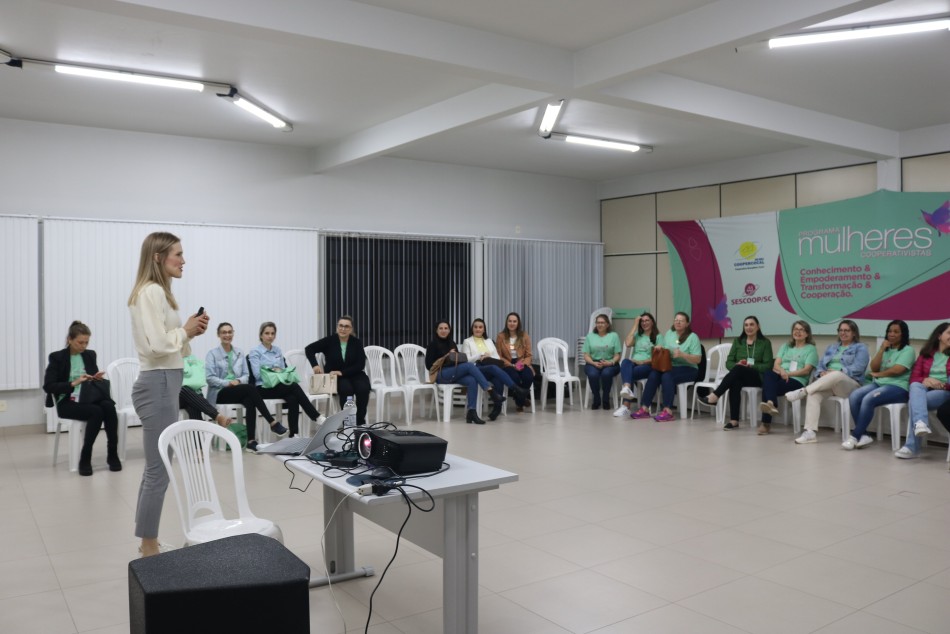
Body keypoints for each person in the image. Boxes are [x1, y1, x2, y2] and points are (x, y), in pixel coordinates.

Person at [128, 232, 209, 557]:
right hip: (158, 383)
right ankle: (149, 547)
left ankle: (148, 541)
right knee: (159, 468)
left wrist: (189, 330)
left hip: (165, 380)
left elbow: (170, 343)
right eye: (178, 254)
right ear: (159, 257)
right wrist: (185, 331)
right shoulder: (150, 292)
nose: (183, 260)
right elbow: (158, 345)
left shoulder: (159, 294)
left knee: (157, 467)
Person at [43, 320, 121, 476]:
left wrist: (95, 378)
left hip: (88, 396)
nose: (84, 346)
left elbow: (91, 379)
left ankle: (112, 453)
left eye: (86, 342)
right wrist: (73, 383)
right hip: (66, 401)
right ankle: (85, 457)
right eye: (80, 342)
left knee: (108, 407)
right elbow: (49, 386)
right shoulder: (57, 357)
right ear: (70, 340)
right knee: (97, 412)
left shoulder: (90, 355)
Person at [205, 322, 287, 452]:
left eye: (230, 332)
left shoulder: (239, 352)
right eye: (224, 332)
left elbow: (246, 375)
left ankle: (251, 441)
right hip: (220, 392)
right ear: (219, 335)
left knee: (250, 400)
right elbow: (210, 379)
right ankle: (272, 422)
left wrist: (237, 380)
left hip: (237, 389)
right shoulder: (212, 354)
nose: (227, 335)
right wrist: (228, 383)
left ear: (233, 333)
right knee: (250, 388)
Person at [788, 319, 869, 444]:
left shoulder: (861, 348)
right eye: (841, 330)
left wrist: (839, 371)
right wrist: (821, 373)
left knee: (836, 374)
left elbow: (858, 368)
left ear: (854, 333)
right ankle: (810, 432)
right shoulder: (832, 348)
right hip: (830, 384)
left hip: (850, 385)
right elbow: (820, 366)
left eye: (847, 330)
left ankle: (803, 391)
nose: (843, 333)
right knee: (813, 394)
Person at [844, 320, 913, 450]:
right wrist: (881, 350)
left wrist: (880, 374)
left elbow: (898, 370)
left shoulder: (908, 350)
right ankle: (864, 435)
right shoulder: (886, 349)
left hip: (898, 387)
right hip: (880, 384)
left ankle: (855, 436)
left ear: (903, 334)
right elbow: (874, 367)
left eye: (896, 332)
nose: (891, 334)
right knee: (854, 396)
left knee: (869, 399)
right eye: (889, 331)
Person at [248, 321, 324, 439]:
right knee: (293, 386)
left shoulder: (277, 350)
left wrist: (273, 371)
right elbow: (257, 374)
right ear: (261, 335)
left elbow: (283, 371)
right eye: (267, 333)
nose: (270, 336)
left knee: (293, 398)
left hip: (279, 385)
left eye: (272, 333)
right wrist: (275, 370)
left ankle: (293, 434)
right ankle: (316, 416)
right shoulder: (255, 352)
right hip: (263, 387)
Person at [699, 316, 774, 430]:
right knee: (735, 380)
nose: (749, 327)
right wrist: (737, 364)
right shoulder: (738, 341)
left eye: (752, 324)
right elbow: (728, 362)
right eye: (746, 325)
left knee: (739, 369)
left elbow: (768, 365)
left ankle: (715, 395)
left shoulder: (765, 342)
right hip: (740, 374)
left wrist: (751, 366)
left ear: (758, 327)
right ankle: (734, 421)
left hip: (756, 377)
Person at [425, 321, 503, 425]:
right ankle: (490, 390)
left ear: (449, 330)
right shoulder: (433, 344)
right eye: (441, 328)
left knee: (472, 380)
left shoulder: (451, 343)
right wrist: (446, 357)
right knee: (470, 365)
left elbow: (460, 360)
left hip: (454, 373)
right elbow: (428, 365)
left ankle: (471, 412)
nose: (443, 331)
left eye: (446, 328)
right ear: (436, 330)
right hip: (441, 374)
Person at [631, 312, 701, 422]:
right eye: (676, 320)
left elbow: (698, 359)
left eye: (681, 320)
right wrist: (660, 348)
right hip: (670, 365)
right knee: (654, 373)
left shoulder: (693, 337)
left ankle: (667, 410)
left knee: (667, 376)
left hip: (689, 368)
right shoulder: (670, 333)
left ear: (687, 324)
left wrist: (683, 354)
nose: (677, 322)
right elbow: (666, 349)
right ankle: (645, 408)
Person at [895, 322, 950, 459]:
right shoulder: (926, 354)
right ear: (939, 336)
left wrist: (942, 384)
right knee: (915, 386)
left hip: (944, 391)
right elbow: (914, 377)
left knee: (916, 402)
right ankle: (920, 424)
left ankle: (911, 446)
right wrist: (926, 380)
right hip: (924, 388)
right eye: (949, 333)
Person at [305, 315, 372, 425]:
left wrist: (342, 372)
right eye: (340, 326)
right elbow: (309, 349)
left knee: (363, 388)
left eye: (346, 326)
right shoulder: (330, 340)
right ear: (337, 327)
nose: (343, 329)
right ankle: (348, 423)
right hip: (336, 377)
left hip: (355, 373)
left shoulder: (356, 342)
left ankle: (360, 422)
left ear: (351, 329)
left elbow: (361, 364)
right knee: (347, 390)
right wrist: (315, 365)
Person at [758, 320, 818, 435]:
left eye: (801, 330)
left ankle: (766, 422)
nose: (798, 332)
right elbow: (776, 364)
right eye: (795, 329)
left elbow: (806, 370)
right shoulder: (785, 346)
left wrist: (788, 374)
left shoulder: (811, 349)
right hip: (780, 374)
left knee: (768, 387)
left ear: (807, 334)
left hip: (797, 380)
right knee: (768, 373)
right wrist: (782, 372)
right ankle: (771, 403)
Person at [461, 318, 528, 420]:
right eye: (475, 327)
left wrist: (488, 358)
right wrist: (480, 355)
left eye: (480, 327)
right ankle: (516, 389)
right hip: (476, 369)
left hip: (490, 367)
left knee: (498, 379)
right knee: (493, 368)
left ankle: (497, 408)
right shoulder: (467, 341)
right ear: (472, 329)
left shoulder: (489, 341)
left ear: (484, 329)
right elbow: (466, 360)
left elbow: (497, 357)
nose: (478, 329)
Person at [614, 312, 659, 418]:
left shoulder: (658, 336)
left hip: (648, 365)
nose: (644, 323)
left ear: (652, 322)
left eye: (647, 320)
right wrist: (635, 325)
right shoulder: (638, 335)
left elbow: (658, 358)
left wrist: (642, 362)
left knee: (628, 374)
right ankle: (627, 388)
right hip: (634, 364)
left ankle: (625, 406)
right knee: (625, 362)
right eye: (642, 321)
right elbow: (628, 343)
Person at [494, 312, 535, 413]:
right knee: (515, 377)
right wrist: (511, 365)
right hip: (506, 363)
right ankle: (521, 402)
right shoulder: (501, 336)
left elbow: (529, 355)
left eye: (514, 321)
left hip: (521, 362)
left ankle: (519, 400)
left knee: (528, 377)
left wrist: (520, 364)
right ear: (506, 322)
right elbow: (498, 356)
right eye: (510, 321)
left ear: (518, 323)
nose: (512, 323)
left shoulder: (524, 335)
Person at [582, 314, 622, 410]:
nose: (600, 325)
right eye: (598, 323)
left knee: (606, 373)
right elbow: (586, 355)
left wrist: (610, 362)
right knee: (593, 374)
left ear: (607, 324)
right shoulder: (590, 336)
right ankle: (596, 398)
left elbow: (617, 355)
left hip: (610, 363)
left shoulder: (614, 336)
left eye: (602, 322)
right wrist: (593, 363)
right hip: (593, 362)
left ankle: (606, 398)